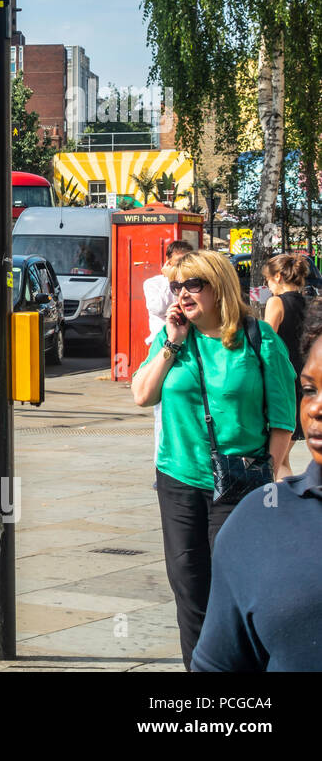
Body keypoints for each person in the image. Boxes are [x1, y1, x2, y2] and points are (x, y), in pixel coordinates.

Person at [130, 249, 296, 670]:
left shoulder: (259, 340)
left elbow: (283, 420)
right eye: (176, 286)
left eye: (193, 285)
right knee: (189, 590)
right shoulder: (175, 339)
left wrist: (268, 473)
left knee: (235, 587)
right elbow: (141, 395)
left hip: (240, 483)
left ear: (218, 285)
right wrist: (170, 342)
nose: (182, 295)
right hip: (179, 479)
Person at [192, 298, 322, 671]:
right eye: (310, 389)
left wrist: (271, 459)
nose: (314, 408)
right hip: (192, 477)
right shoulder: (259, 523)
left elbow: (280, 409)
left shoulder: (260, 338)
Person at [142, 240, 196, 461]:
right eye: (177, 263)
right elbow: (157, 307)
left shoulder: (193, 284)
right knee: (162, 411)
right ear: (167, 262)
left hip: (190, 346)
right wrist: (170, 280)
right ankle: (161, 462)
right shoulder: (154, 283)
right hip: (162, 348)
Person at [263, 253, 310, 439]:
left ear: (278, 277)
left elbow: (267, 341)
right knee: (284, 455)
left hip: (283, 376)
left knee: (279, 457)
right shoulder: (308, 302)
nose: (268, 285)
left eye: (268, 279)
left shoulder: (276, 302)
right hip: (304, 375)